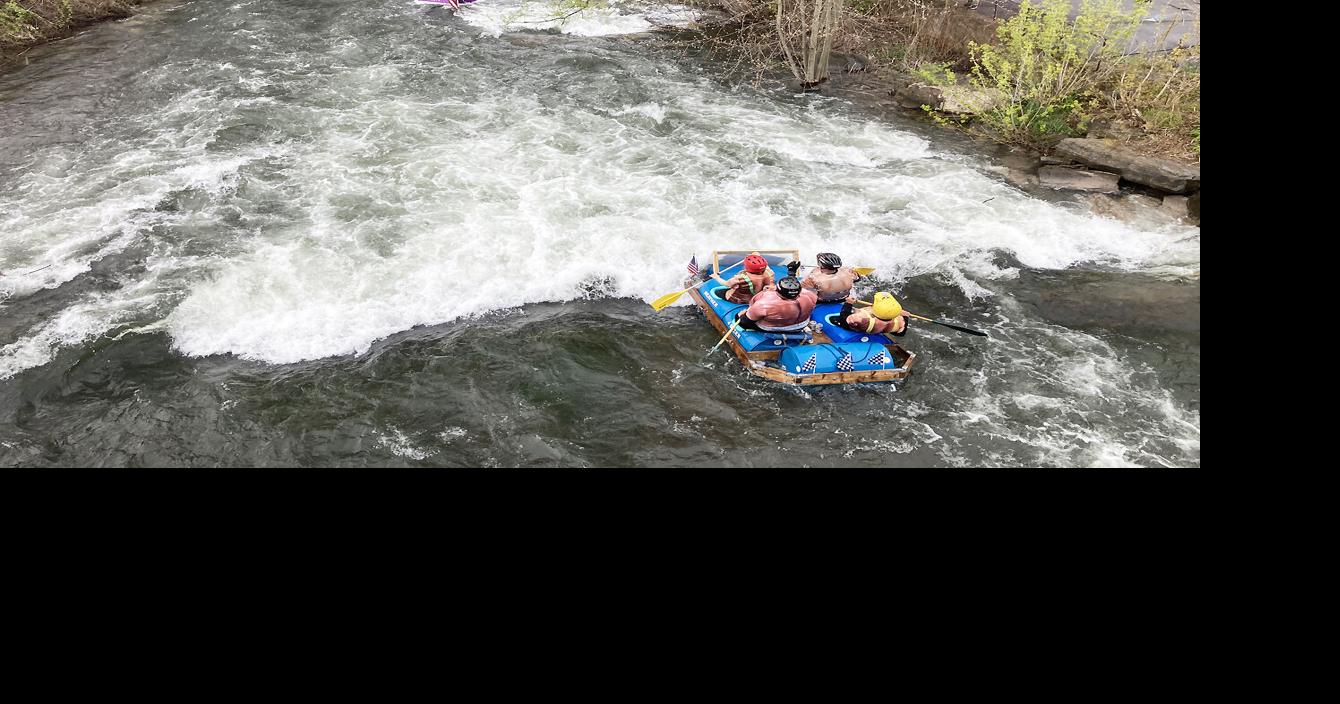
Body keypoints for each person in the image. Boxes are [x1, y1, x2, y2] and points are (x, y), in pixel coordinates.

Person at [736, 276, 817, 332]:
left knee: (739, 318)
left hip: (775, 328)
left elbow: (746, 320)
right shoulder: (811, 296)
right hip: (802, 324)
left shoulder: (765, 304)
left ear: (778, 290)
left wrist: (742, 315)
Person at [713, 252, 783, 304]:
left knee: (719, 292)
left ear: (746, 267)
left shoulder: (740, 279)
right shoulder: (769, 272)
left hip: (739, 299)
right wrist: (757, 256)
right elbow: (765, 266)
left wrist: (716, 277)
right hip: (755, 298)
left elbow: (726, 284)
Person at [837, 292, 908, 336]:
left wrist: (848, 303)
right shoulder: (900, 321)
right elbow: (901, 333)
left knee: (844, 321)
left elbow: (843, 321)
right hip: (876, 330)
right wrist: (905, 316)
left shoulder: (861, 319)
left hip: (860, 327)